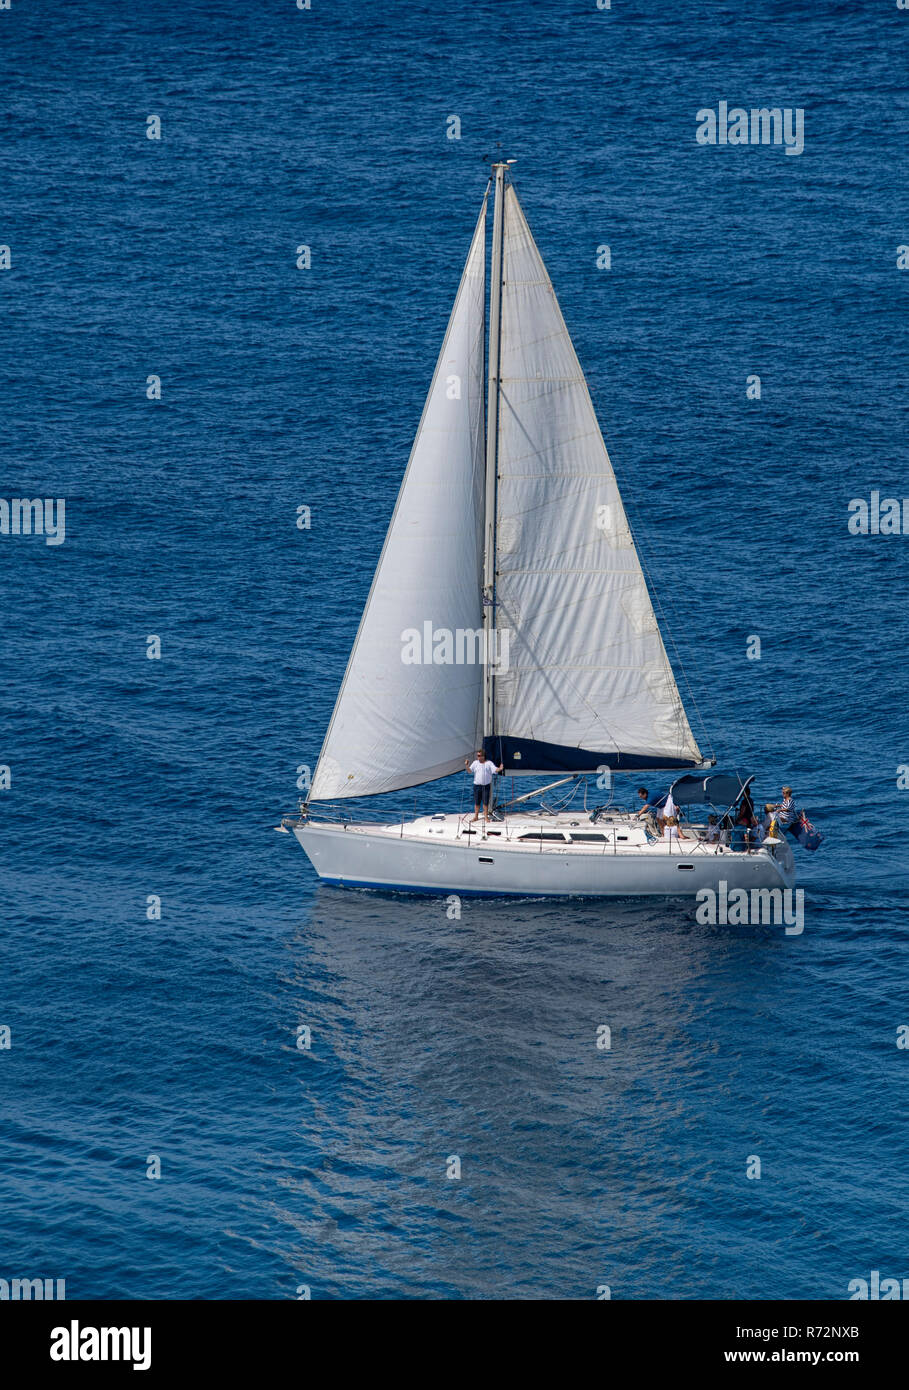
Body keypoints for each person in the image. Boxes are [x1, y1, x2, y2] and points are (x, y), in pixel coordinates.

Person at [465, 749, 504, 824]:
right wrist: (466, 765)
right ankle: (476, 816)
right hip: (477, 786)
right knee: (477, 802)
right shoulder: (475, 763)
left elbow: (495, 770)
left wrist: (500, 769)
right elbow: (470, 771)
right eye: (477, 756)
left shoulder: (489, 763)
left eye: (479, 756)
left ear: (483, 756)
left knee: (485, 803)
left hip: (486, 786)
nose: (478, 757)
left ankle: (486, 817)